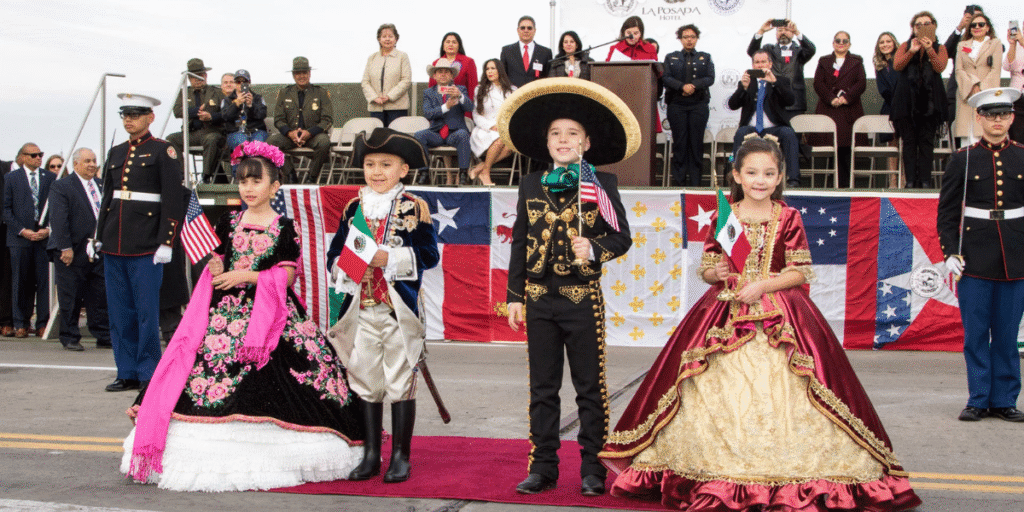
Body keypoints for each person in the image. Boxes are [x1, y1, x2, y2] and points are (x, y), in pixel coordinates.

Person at [600, 135, 923, 512]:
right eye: (751, 172)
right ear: (736, 175)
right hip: (724, 313)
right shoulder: (725, 215)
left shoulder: (788, 217)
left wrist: (764, 286)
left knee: (804, 389)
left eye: (769, 173)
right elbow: (707, 267)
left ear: (779, 176)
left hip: (780, 315)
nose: (760, 179)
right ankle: (712, 471)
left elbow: (800, 272)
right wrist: (715, 271)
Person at [122, 141, 366, 490]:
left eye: (255, 181)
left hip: (271, 316)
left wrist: (245, 276)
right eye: (242, 181)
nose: (248, 188)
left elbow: (287, 276)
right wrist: (219, 264)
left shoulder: (285, 227)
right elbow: (218, 256)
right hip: (222, 313)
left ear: (274, 187)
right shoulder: (228, 220)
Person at [500, 78, 637, 497]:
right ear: (546, 142)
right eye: (556, 134)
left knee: (589, 388)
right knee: (542, 388)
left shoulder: (602, 185)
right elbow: (520, 243)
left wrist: (593, 248)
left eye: (572, 134)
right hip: (540, 301)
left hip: (582, 301)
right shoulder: (529, 185)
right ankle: (542, 467)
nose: (563, 140)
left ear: (587, 142)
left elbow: (622, 238)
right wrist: (515, 297)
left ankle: (593, 467)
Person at [325, 128, 439, 483]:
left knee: (400, 378)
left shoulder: (414, 207)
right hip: (360, 309)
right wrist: (349, 265)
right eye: (370, 164)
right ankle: (371, 453)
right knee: (364, 378)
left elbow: (429, 255)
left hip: (397, 309)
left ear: (403, 170)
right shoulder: (353, 208)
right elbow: (335, 255)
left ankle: (401, 456)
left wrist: (387, 257)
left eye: (385, 164)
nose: (376, 171)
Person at [937, 87, 1024, 423]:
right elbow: (947, 213)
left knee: (1006, 335)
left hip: (1015, 256)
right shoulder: (963, 159)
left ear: (1012, 117)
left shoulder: (1021, 156)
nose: (997, 120)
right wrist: (950, 252)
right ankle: (977, 398)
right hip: (974, 257)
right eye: (990, 115)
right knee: (975, 334)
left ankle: (1004, 400)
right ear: (979, 118)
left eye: (1003, 114)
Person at [95, 93, 184, 392]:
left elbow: (172, 199)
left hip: (146, 244)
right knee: (120, 313)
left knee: (147, 313)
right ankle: (127, 371)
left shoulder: (164, 151)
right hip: (114, 242)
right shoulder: (117, 152)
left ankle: (148, 373)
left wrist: (166, 241)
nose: (128, 119)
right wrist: (97, 236)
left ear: (150, 117)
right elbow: (108, 198)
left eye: (135, 113)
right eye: (125, 114)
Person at [46, 147, 110, 351]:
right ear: (76, 164)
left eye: (94, 161)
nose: (92, 164)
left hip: (99, 249)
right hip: (72, 250)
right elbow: (58, 219)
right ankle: (70, 335)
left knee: (99, 294)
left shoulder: (101, 185)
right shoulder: (62, 186)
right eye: (87, 161)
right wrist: (65, 247)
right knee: (71, 296)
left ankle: (102, 333)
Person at [891, 11, 948, 189]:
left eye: (927, 24)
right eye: (918, 24)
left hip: (930, 103)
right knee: (909, 142)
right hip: (906, 103)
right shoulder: (905, 45)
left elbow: (940, 67)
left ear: (934, 26)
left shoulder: (940, 47)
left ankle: (924, 181)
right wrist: (911, 51)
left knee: (926, 142)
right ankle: (909, 182)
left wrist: (929, 49)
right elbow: (897, 65)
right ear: (913, 28)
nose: (922, 27)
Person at [728, 50, 801, 188]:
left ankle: (793, 179)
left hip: (775, 128)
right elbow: (732, 105)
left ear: (770, 64)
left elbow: (790, 101)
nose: (760, 65)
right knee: (740, 132)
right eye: (757, 62)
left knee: (788, 133)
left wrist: (774, 83)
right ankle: (736, 176)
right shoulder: (747, 82)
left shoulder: (780, 81)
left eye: (763, 62)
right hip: (752, 128)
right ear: (752, 65)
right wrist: (742, 88)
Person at [3, 143, 53, 338]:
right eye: (33, 155)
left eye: (40, 154)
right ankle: (20, 323)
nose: (38, 158)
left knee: (43, 282)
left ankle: (42, 323)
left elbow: (55, 207)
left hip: (42, 239)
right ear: (22, 157)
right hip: (19, 239)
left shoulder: (49, 178)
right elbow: (6, 209)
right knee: (20, 282)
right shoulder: (11, 178)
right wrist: (22, 231)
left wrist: (47, 229)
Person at [812, 31, 867, 188]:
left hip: (849, 111)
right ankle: (829, 186)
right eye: (838, 40)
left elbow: (861, 83)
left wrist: (846, 98)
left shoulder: (857, 61)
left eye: (845, 40)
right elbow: (818, 83)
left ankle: (844, 185)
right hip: (828, 109)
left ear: (849, 44)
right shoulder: (824, 61)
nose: (841, 43)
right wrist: (831, 99)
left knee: (846, 149)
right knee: (829, 150)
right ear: (833, 43)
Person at [268, 56, 334, 183]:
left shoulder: (321, 93)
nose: (301, 76)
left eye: (304, 72)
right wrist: (289, 133)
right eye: (298, 73)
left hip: (313, 135)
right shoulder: (284, 93)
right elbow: (279, 119)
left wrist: (309, 133)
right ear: (293, 75)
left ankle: (312, 177)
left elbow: (327, 119)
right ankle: (290, 174)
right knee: (271, 142)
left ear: (309, 74)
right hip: (290, 136)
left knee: (324, 142)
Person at [663, 24, 714, 186]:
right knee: (680, 143)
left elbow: (710, 78)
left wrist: (693, 86)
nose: (689, 40)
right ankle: (678, 182)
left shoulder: (705, 57)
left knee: (696, 143)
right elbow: (666, 77)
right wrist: (681, 87)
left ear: (697, 38)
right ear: (680, 39)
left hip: (698, 105)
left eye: (692, 37)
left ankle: (696, 183)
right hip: (677, 105)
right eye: (686, 37)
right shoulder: (671, 57)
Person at [414, 58, 474, 186]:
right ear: (434, 75)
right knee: (419, 135)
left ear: (452, 75)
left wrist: (460, 96)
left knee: (463, 134)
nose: (443, 74)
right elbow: (428, 114)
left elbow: (470, 108)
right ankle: (424, 173)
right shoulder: (428, 92)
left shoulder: (460, 89)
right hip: (437, 133)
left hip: (455, 133)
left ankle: (463, 173)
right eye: (439, 71)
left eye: (446, 72)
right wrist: (446, 106)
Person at [166, 58, 226, 184]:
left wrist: (210, 116)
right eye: (194, 77)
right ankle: (180, 174)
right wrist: (196, 111)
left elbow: (226, 113)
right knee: (171, 139)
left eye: (200, 76)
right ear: (189, 79)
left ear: (205, 76)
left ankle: (206, 176)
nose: (197, 79)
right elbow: (177, 111)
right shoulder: (184, 92)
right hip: (192, 133)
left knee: (211, 139)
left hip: (212, 131)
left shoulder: (216, 92)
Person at [747, 19, 816, 122]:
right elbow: (753, 52)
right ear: (776, 34)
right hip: (773, 101)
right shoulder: (769, 49)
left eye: (787, 30)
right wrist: (761, 31)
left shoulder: (800, 51)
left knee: (794, 135)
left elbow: (811, 49)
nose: (783, 33)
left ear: (792, 33)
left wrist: (798, 32)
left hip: (795, 103)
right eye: (780, 30)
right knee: (773, 136)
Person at [954, 12, 1002, 145]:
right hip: (966, 94)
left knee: (985, 133)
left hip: (986, 94)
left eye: (981, 24)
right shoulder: (962, 45)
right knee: (967, 139)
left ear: (987, 27)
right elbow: (959, 69)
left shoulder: (995, 43)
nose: (977, 27)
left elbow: (996, 69)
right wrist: (972, 85)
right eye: (973, 25)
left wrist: (981, 88)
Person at [469, 58, 516, 186]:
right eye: (487, 69)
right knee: (501, 139)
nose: (490, 71)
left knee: (509, 146)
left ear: (500, 70)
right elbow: (476, 114)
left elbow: (514, 114)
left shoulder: (512, 90)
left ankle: (481, 168)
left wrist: (503, 126)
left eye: (493, 68)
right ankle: (486, 173)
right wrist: (490, 126)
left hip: (505, 128)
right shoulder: (480, 89)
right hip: (485, 129)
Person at [944, 6, 986, 136]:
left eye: (979, 20)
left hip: (980, 91)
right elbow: (945, 53)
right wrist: (959, 28)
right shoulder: (959, 41)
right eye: (971, 18)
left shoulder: (990, 42)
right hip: (957, 91)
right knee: (955, 128)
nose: (975, 22)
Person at [361, 23, 413, 127]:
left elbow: (406, 80)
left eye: (390, 36)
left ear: (396, 39)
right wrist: (374, 97)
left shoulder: (402, 56)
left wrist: (389, 96)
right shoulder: (372, 58)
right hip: (376, 106)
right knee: (378, 139)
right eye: (384, 36)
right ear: (379, 39)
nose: (387, 39)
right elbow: (365, 81)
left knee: (396, 138)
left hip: (397, 107)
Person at [220, 69, 269, 173]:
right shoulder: (227, 100)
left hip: (256, 131)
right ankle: (239, 176)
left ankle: (256, 175)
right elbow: (225, 116)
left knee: (257, 145)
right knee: (242, 143)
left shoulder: (257, 98)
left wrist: (251, 105)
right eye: (238, 82)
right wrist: (236, 104)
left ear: (249, 83)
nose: (241, 84)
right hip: (236, 132)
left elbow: (262, 115)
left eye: (244, 82)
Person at [874, 31, 901, 187]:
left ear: (894, 43)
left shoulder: (901, 61)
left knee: (905, 145)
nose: (885, 44)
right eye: (882, 42)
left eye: (888, 41)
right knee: (892, 144)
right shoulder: (879, 65)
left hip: (905, 106)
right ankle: (893, 180)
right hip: (890, 107)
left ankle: (903, 179)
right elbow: (883, 89)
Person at [500, 16, 552, 88]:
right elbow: (503, 76)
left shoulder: (545, 52)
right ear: (518, 30)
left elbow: (547, 77)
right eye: (523, 28)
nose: (526, 30)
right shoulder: (507, 51)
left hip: (537, 96)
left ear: (534, 30)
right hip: (514, 96)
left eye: (529, 28)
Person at [428, 32, 478, 105]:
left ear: (459, 45)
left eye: (454, 42)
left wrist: (469, 110)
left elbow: (472, 88)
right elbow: (432, 87)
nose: (450, 44)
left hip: (461, 107)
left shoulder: (468, 62)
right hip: (439, 108)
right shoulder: (436, 63)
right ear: (443, 45)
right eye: (447, 42)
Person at [1002, 25, 1024, 142]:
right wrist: (1012, 45)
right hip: (1017, 97)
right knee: (1017, 139)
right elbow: (1007, 66)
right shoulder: (1018, 44)